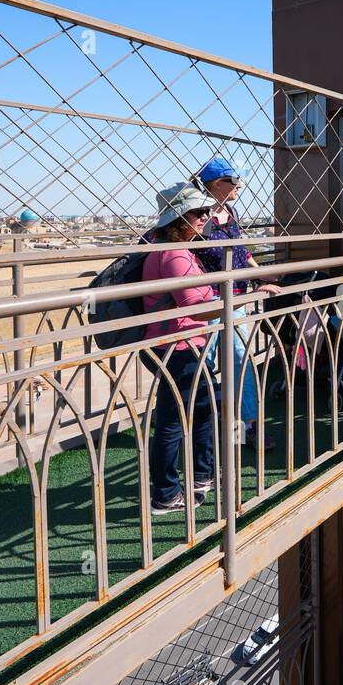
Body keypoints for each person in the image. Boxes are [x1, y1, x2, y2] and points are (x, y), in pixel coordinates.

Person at [192, 156, 282, 452]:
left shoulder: (229, 211)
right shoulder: (196, 217)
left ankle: (246, 427)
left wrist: (259, 277)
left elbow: (240, 253)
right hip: (211, 301)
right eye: (234, 182)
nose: (239, 187)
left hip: (237, 298)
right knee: (205, 365)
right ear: (217, 184)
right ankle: (205, 428)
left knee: (239, 362)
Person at [141, 183, 220, 514]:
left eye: (206, 212)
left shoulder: (170, 248)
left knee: (203, 405)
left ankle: (201, 474)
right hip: (179, 345)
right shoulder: (173, 253)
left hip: (180, 343)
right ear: (178, 218)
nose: (206, 218)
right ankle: (166, 494)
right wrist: (235, 301)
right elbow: (193, 308)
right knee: (172, 420)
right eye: (198, 213)